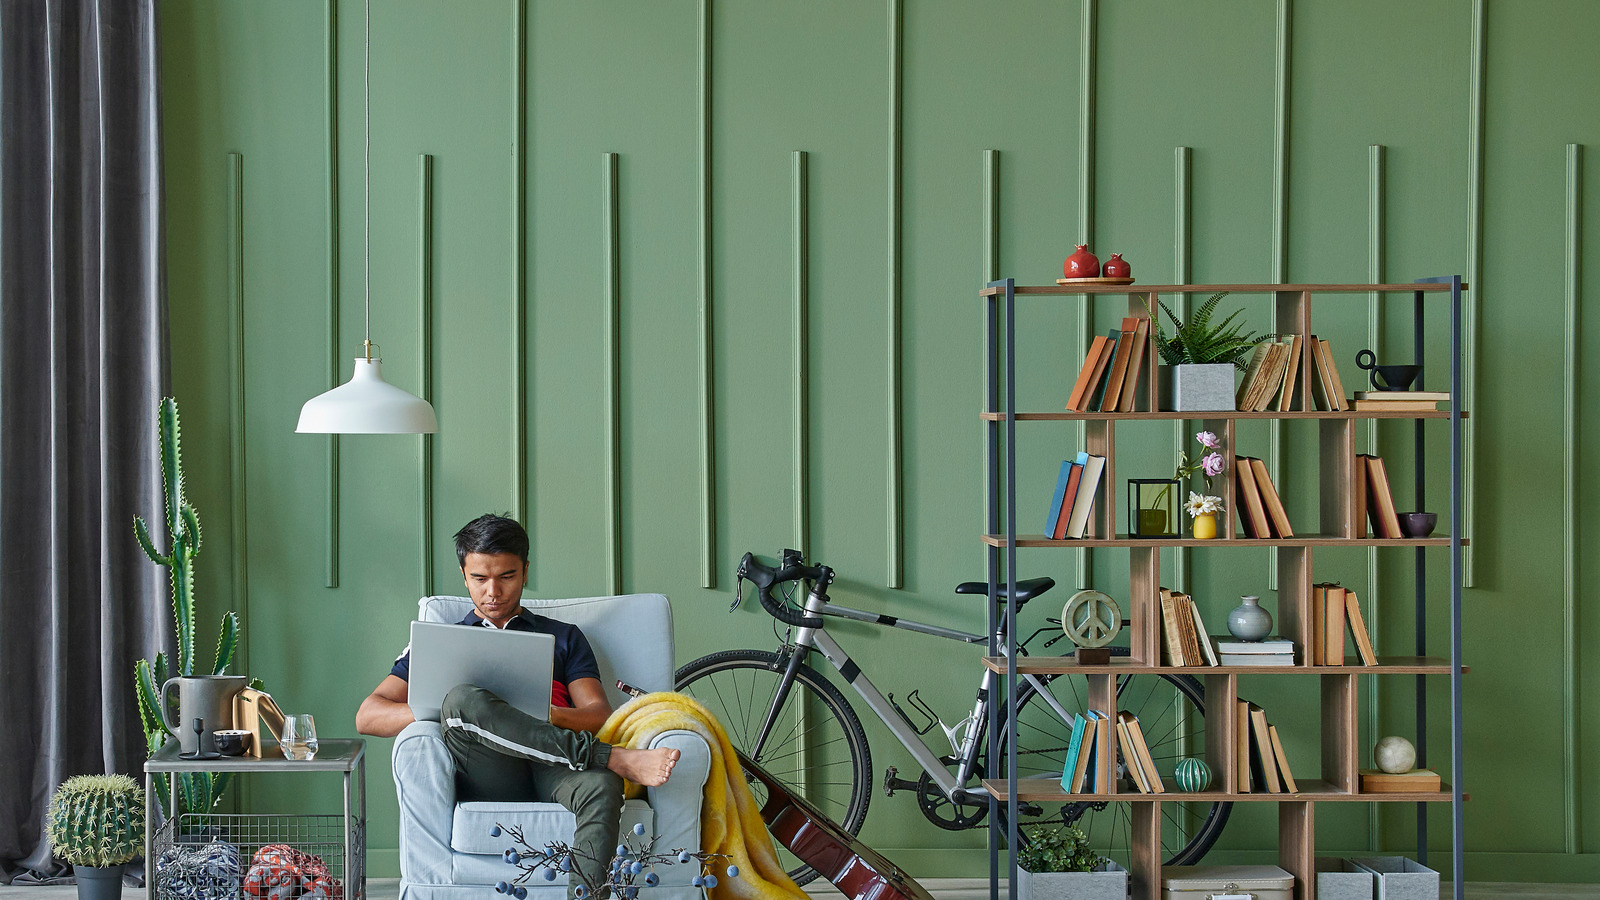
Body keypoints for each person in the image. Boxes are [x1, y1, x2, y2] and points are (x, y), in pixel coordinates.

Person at [357, 513, 679, 895]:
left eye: (506, 576)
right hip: (488, 772)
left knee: (602, 786)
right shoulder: (439, 642)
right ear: (464, 575)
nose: (492, 591)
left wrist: (535, 713)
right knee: (460, 698)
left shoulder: (564, 638)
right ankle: (609, 756)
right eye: (479, 578)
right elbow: (368, 715)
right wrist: (452, 708)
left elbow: (597, 714)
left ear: (525, 572)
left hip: (556, 766)